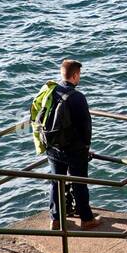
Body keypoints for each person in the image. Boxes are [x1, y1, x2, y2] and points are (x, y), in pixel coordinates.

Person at [44, 59, 100, 232]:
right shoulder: (77, 97)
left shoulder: (51, 91)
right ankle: (86, 219)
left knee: (56, 182)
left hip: (53, 145)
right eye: (79, 75)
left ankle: (55, 219)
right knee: (79, 183)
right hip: (74, 149)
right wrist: (86, 147)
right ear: (75, 75)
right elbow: (85, 126)